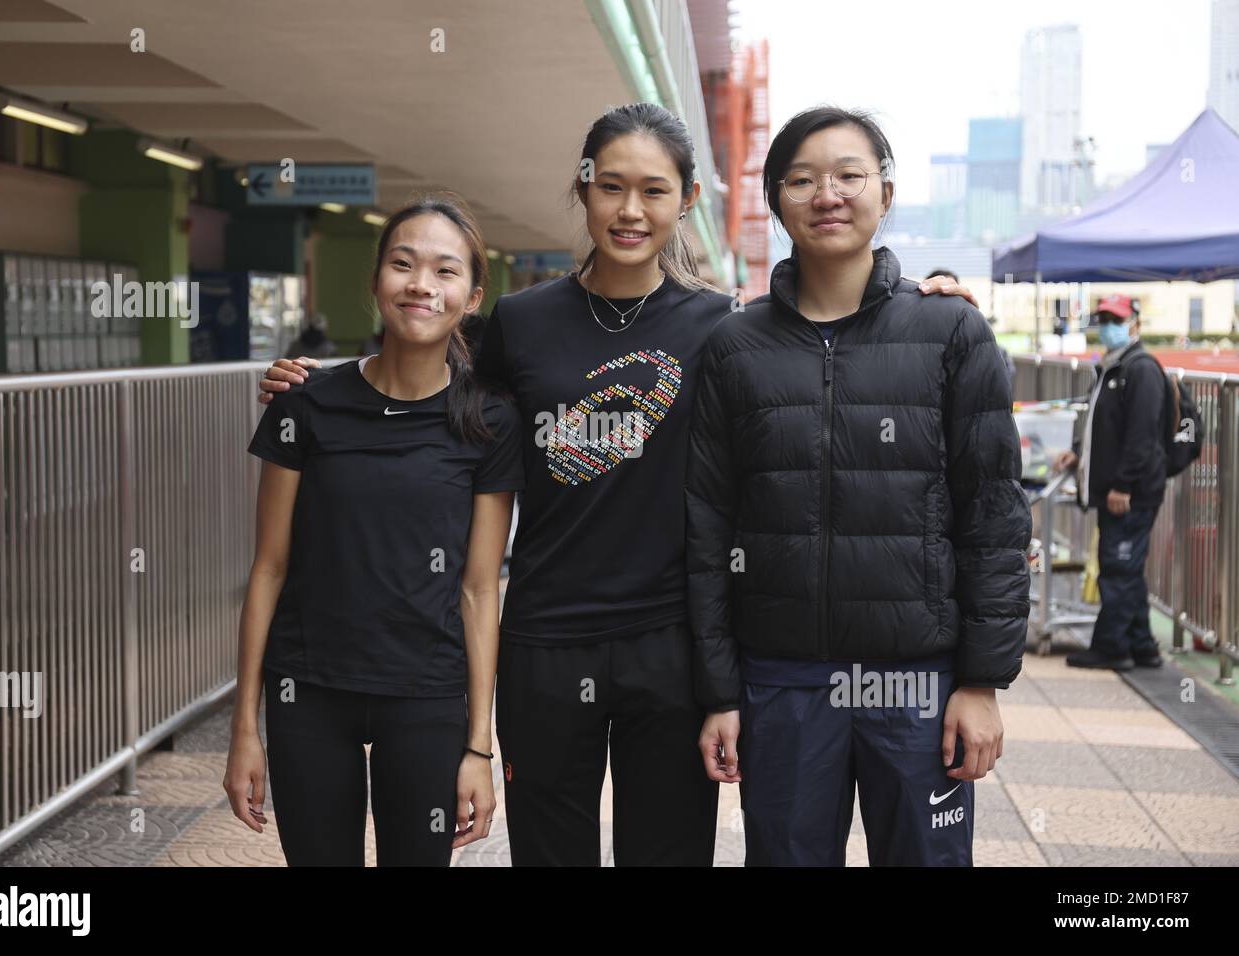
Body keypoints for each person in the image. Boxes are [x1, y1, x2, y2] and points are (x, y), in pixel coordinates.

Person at [257, 104, 977, 867]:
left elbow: (821, 339)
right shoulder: (522, 322)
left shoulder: (723, 329)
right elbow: (435, 386)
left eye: (655, 191)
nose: (631, 211)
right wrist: (320, 385)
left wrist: (914, 300)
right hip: (544, 644)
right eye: (611, 187)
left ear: (688, 199)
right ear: (584, 188)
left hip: (670, 647)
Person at [687, 106, 1031, 866]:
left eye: (849, 175)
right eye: (803, 179)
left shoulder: (949, 333)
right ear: (777, 201)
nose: (827, 194)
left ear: (886, 194)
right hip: (782, 680)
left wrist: (981, 681)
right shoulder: (735, 347)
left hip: (917, 683)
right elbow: (706, 525)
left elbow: (994, 515)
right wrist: (719, 691)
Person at [223, 196, 525, 866]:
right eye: (402, 263)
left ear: (470, 297)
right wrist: (245, 727)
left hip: (427, 695)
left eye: (444, 271)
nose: (420, 283)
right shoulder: (305, 405)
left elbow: (480, 590)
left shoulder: (487, 424)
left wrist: (480, 744)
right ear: (375, 280)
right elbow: (268, 568)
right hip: (309, 692)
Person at [1054, 294, 1166, 670]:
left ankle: (1111, 647)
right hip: (1116, 489)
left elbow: (1142, 435)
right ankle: (1143, 645)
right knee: (1125, 565)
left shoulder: (1141, 369)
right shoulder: (1112, 367)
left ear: (1134, 323)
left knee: (1118, 567)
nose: (1107, 326)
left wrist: (1123, 485)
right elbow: (1099, 424)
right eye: (1102, 319)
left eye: (1114, 319)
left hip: (1129, 493)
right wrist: (1076, 452)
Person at [925, 268, 1016, 394]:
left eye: (951, 294)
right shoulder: (918, 345)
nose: (946, 304)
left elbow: (997, 386)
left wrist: (973, 326)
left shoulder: (990, 347)